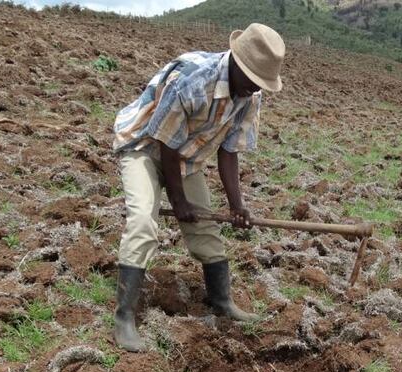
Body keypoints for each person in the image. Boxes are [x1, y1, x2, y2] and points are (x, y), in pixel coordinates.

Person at [110, 23, 285, 352]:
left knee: (205, 227)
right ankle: (124, 318)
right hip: (144, 146)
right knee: (143, 222)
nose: (254, 88)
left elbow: (229, 150)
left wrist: (237, 206)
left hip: (187, 156)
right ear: (236, 62)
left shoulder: (250, 96)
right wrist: (177, 200)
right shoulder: (194, 78)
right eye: (252, 79)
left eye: (260, 83)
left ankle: (221, 301)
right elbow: (165, 141)